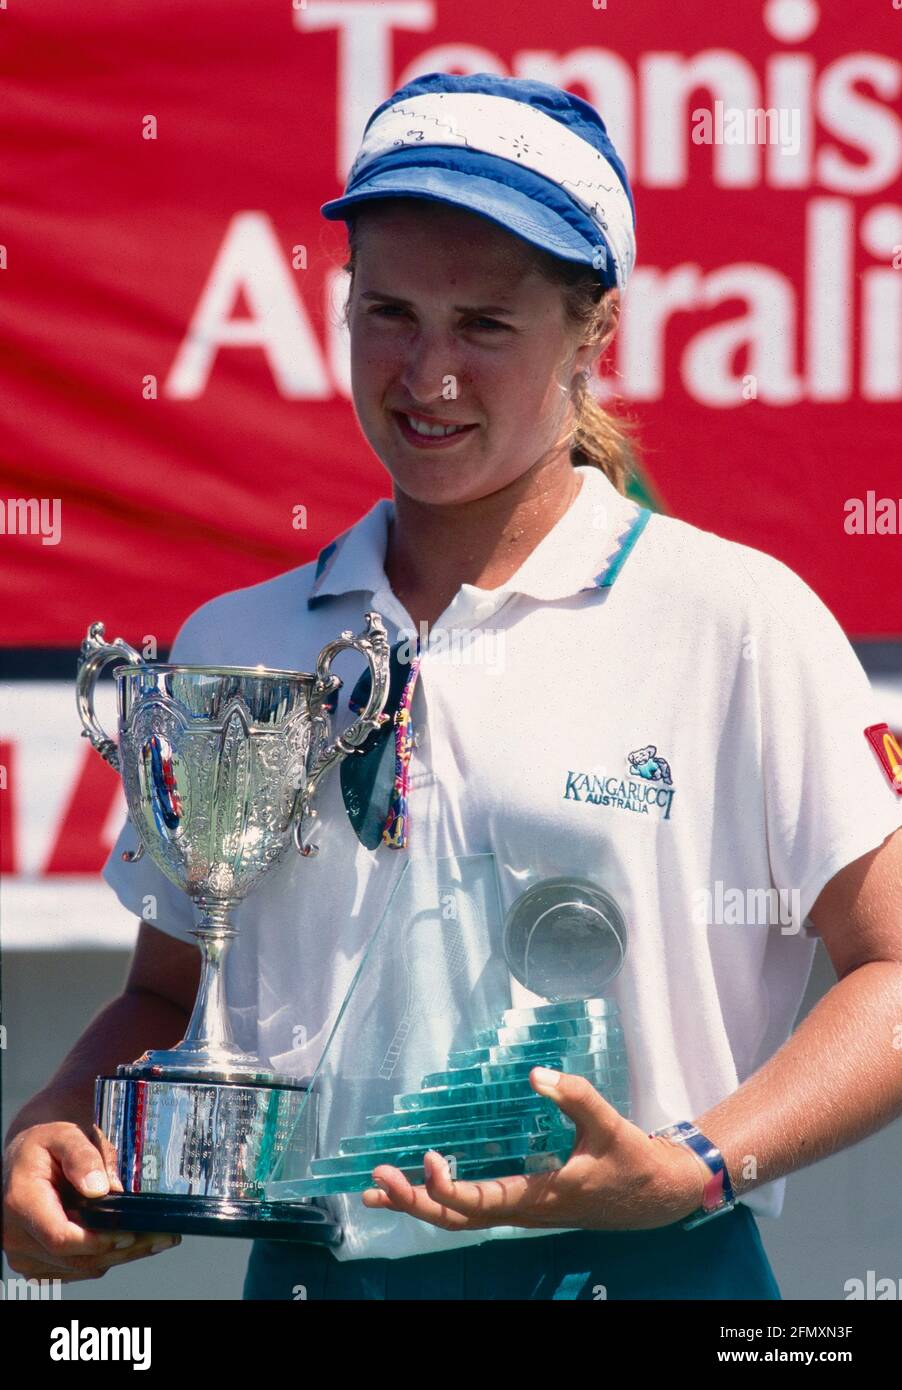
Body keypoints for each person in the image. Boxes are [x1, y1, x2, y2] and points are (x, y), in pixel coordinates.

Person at [4, 72, 901, 1301]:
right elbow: (171, 992)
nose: (427, 373)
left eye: (484, 324)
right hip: (310, 1284)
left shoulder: (733, 619)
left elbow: (892, 964)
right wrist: (55, 1121)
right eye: (390, 312)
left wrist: (694, 1162)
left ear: (593, 331)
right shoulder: (241, 638)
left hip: (646, 1279)